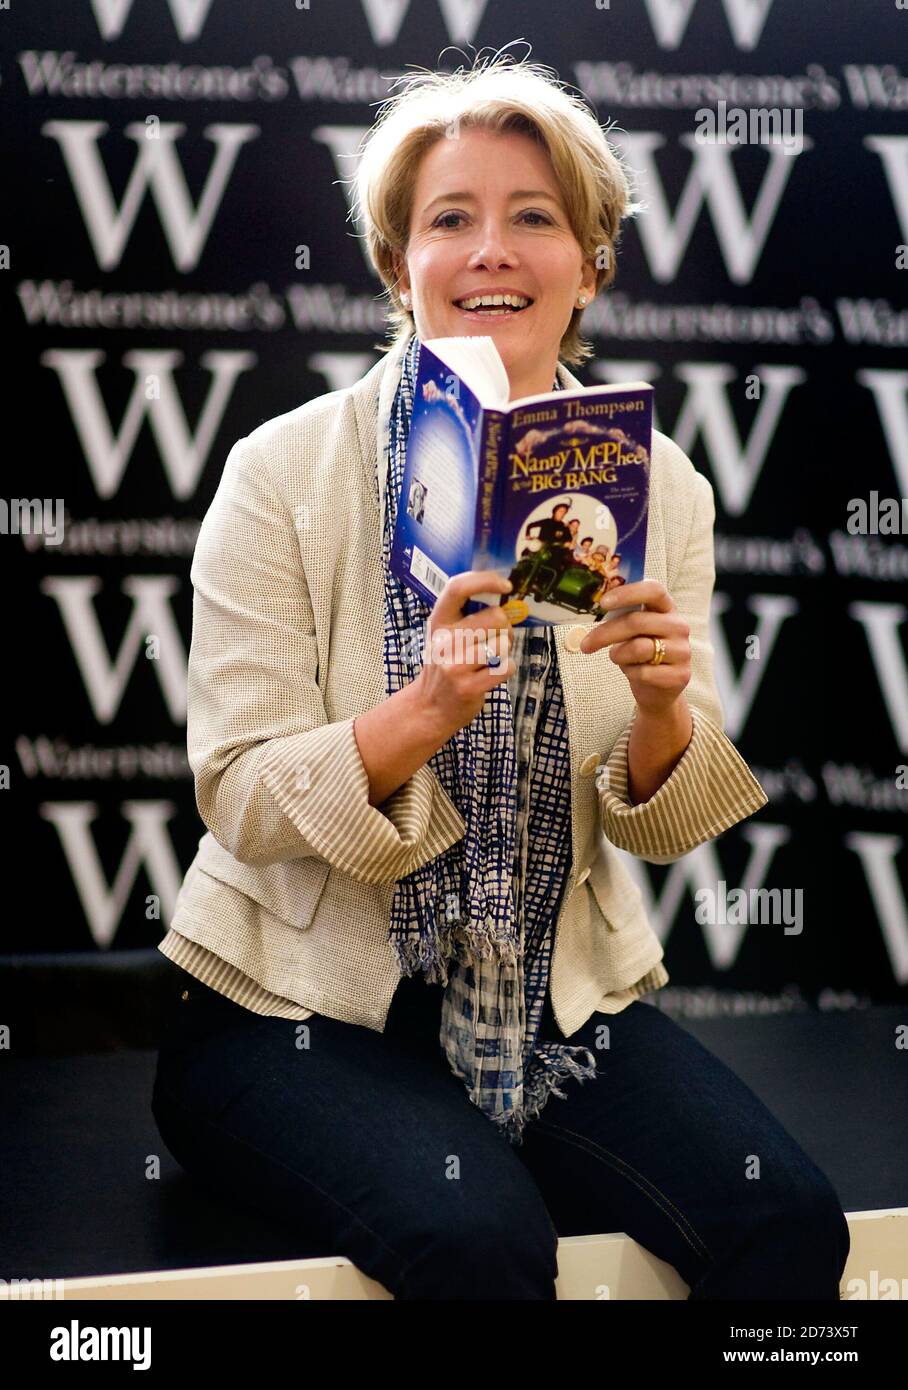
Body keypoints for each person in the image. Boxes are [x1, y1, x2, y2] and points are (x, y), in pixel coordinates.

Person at [151, 48, 850, 1301]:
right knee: (478, 1245)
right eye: (448, 220)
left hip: (551, 1006)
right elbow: (239, 795)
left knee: (790, 1225)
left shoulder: (660, 486)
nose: (489, 251)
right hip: (291, 1014)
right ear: (396, 265)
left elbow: (664, 819)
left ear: (586, 267)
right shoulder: (282, 472)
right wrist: (416, 715)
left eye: (534, 219)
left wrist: (661, 709)